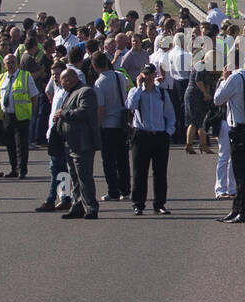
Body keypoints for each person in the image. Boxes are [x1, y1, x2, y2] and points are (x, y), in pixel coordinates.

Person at [213, 53, 245, 223]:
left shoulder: (234, 78)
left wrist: (223, 80)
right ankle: (236, 209)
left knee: (240, 174)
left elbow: (217, 99)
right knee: (239, 172)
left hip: (239, 128)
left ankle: (244, 212)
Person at [126, 62, 175, 215]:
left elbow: (170, 114)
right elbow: (131, 106)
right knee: (139, 171)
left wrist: (168, 131)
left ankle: (159, 203)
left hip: (159, 135)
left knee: (160, 172)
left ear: (155, 75)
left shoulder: (161, 93)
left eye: (150, 74)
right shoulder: (135, 92)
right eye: (145, 74)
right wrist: (139, 87)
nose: (148, 77)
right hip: (141, 135)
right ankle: (138, 204)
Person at [52, 67, 100, 220]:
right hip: (70, 142)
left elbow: (85, 112)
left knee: (84, 176)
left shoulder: (86, 92)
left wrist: (63, 113)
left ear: (70, 79)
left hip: (82, 142)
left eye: (62, 80)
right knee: (74, 177)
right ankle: (77, 206)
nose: (61, 84)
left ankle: (91, 207)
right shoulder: (71, 92)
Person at [35, 61, 76, 213]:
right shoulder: (56, 88)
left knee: (55, 167)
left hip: (61, 133)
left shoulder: (67, 91)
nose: (55, 77)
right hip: (53, 132)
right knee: (61, 168)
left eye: (58, 75)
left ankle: (51, 198)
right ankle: (65, 198)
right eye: (53, 75)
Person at [93, 51, 132, 201]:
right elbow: (128, 86)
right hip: (122, 123)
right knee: (122, 158)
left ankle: (113, 191)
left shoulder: (99, 82)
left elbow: (100, 107)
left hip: (108, 124)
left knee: (109, 160)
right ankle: (125, 189)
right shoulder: (119, 76)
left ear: (95, 66)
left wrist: (96, 126)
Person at [0, 52, 35, 178]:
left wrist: (29, 111)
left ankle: (22, 170)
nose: (10, 65)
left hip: (21, 116)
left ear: (17, 63)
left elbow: (34, 96)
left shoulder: (25, 76)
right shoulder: (1, 77)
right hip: (7, 115)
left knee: (21, 145)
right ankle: (14, 169)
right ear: (4, 65)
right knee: (10, 144)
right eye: (8, 63)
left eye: (13, 62)